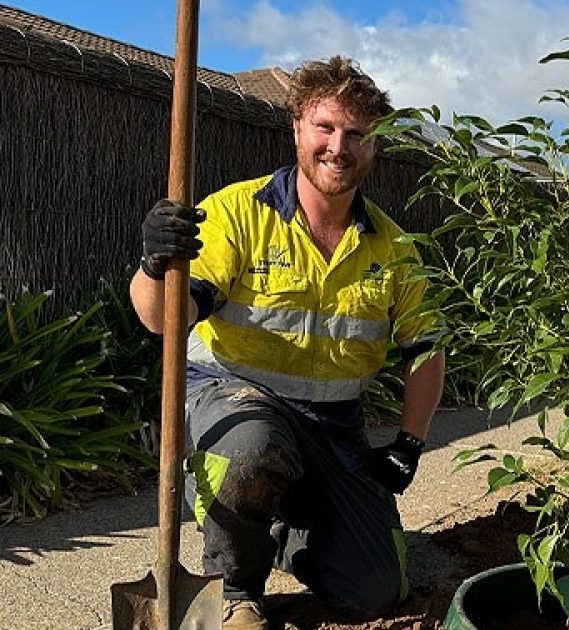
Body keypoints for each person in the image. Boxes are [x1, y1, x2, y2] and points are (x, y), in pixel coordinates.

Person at [129, 56, 444, 630]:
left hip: (333, 428)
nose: (338, 147)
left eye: (356, 134)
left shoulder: (394, 248)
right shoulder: (237, 214)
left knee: (375, 590)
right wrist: (154, 266)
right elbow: (162, 320)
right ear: (297, 128)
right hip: (233, 401)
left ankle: (279, 526)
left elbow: (425, 349)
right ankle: (234, 591)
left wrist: (410, 442)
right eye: (325, 127)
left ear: (374, 146)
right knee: (252, 449)